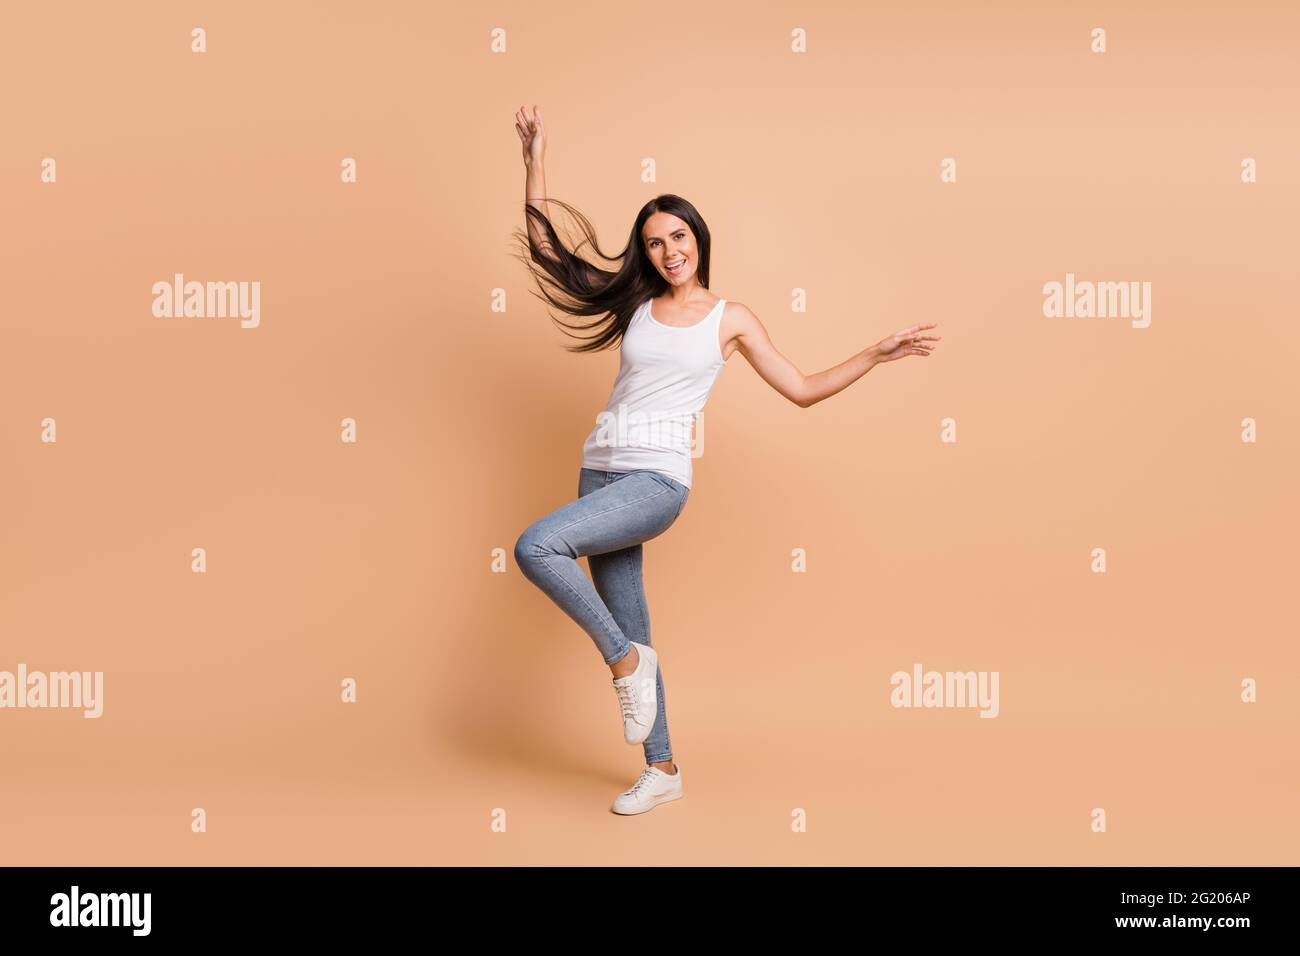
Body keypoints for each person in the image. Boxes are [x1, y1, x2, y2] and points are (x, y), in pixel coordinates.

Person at [509, 105, 940, 815]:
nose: (667, 250)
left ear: (697, 239)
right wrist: (534, 159)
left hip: (655, 479)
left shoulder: (728, 318)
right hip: (601, 471)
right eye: (653, 243)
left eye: (677, 236)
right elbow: (549, 251)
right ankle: (664, 767)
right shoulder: (637, 304)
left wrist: (876, 352)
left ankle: (622, 664)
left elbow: (801, 389)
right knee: (635, 621)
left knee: (536, 547)